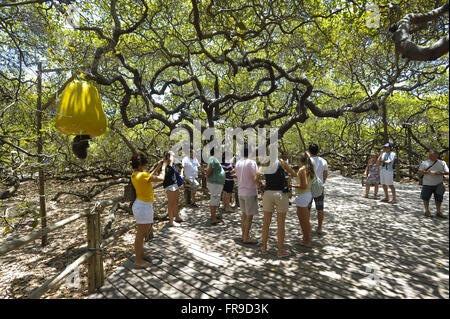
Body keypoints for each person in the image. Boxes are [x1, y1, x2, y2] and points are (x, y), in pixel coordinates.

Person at [131, 153, 166, 268]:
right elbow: (161, 178)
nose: (146, 165)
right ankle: (138, 260)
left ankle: (141, 254)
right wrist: (164, 167)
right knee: (141, 233)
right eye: (145, 164)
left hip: (142, 205)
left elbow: (147, 177)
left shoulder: (136, 175)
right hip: (143, 207)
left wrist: (157, 167)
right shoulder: (143, 175)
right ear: (141, 165)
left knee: (143, 232)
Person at [256, 157, 290, 257]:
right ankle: (280, 251)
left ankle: (264, 247)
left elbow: (256, 178)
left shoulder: (264, 163)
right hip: (280, 194)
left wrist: (261, 187)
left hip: (267, 194)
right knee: (281, 224)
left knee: (266, 223)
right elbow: (293, 174)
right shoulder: (282, 162)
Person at [289, 153, 315, 247]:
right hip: (306, 195)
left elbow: (303, 186)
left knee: (304, 220)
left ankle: (307, 241)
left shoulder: (302, 169)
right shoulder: (309, 168)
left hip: (303, 195)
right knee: (304, 219)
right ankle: (305, 239)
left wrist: (291, 185)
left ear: (300, 160)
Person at [235, 145, 259, 244]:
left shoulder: (238, 163)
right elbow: (256, 177)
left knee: (244, 215)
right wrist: (261, 186)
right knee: (249, 216)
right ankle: (246, 237)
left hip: (240, 191)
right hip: (250, 192)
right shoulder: (251, 162)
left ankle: (243, 235)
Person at [418, 150, 449, 218]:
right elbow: (420, 171)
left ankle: (438, 211)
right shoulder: (425, 163)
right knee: (426, 198)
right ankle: (427, 211)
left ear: (437, 156)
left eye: (432, 155)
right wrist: (429, 172)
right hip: (427, 183)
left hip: (439, 184)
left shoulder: (442, 163)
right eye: (430, 155)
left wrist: (440, 173)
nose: (430, 157)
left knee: (439, 198)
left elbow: (447, 172)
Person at [307, 143, 328, 234]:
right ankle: (319, 227)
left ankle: (307, 227)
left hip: (308, 187)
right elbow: (325, 174)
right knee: (320, 208)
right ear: (318, 151)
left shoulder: (307, 161)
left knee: (307, 208)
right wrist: (322, 183)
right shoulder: (323, 161)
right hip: (319, 186)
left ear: (309, 151)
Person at [163, 151, 184, 227]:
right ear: (168, 156)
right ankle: (171, 221)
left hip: (175, 184)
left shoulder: (173, 164)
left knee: (176, 201)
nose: (174, 157)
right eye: (172, 156)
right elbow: (166, 174)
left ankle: (177, 217)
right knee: (171, 203)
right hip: (169, 186)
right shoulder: (165, 164)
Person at [206, 148, 225, 225]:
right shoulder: (213, 159)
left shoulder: (215, 159)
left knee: (215, 199)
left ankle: (214, 215)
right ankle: (213, 219)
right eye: (220, 151)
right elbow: (209, 170)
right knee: (214, 200)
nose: (221, 152)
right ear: (216, 151)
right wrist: (208, 179)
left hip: (216, 183)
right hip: (214, 183)